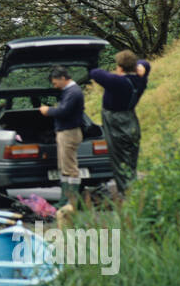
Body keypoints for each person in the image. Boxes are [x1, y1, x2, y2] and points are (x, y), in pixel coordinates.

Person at [89, 50, 152, 197]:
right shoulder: (141, 80)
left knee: (119, 160)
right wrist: (141, 66)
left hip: (116, 122)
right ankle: (134, 191)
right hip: (131, 119)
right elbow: (146, 64)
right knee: (131, 160)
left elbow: (95, 73)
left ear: (120, 67)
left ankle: (128, 195)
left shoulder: (116, 81)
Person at [39, 66, 85, 208]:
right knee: (64, 167)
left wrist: (48, 110)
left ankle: (71, 201)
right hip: (65, 132)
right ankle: (64, 199)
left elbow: (64, 111)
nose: (55, 86)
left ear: (63, 78)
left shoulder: (73, 92)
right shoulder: (69, 92)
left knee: (70, 168)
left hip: (69, 133)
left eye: (55, 83)